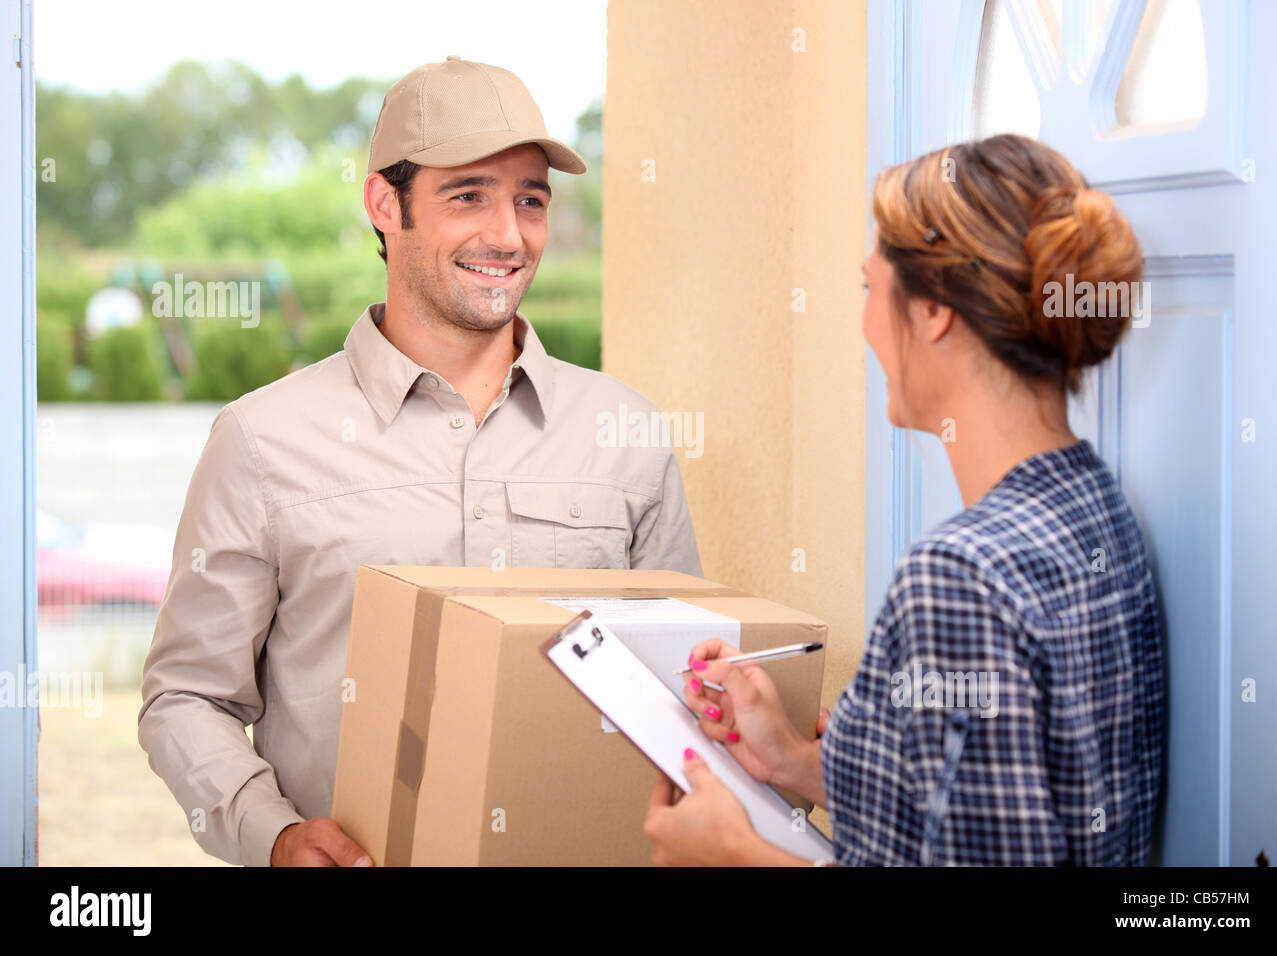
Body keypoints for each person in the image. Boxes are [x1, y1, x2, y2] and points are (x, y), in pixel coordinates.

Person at [139, 57, 703, 868]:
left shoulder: (628, 432)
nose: (507, 235)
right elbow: (187, 695)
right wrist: (276, 834)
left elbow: (678, 687)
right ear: (383, 202)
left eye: (530, 200)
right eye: (468, 195)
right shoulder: (261, 441)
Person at [644, 134, 1163, 866]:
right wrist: (788, 758)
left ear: (934, 310)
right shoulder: (1093, 508)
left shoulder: (959, 579)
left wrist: (735, 855)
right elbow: (978, 807)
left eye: (869, 287)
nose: (864, 322)